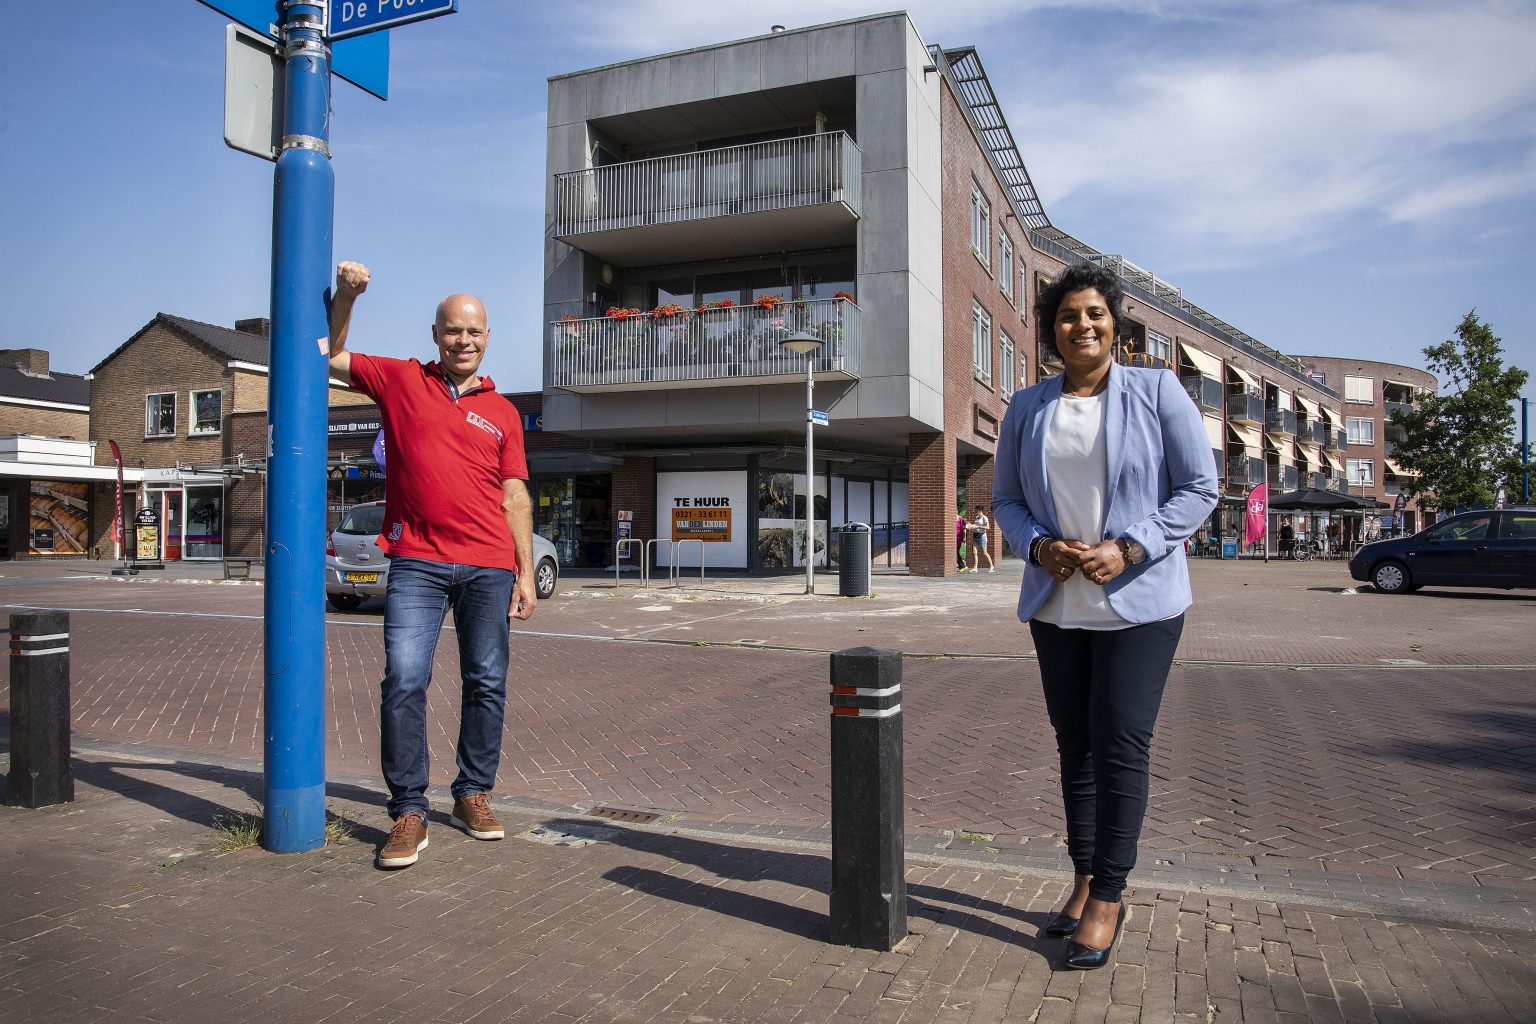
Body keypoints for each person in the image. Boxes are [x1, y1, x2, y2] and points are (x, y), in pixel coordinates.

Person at [992, 261, 1217, 970]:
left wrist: (1131, 547)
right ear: (1051, 330)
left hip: (1139, 605)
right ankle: (1084, 875)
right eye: (1066, 316)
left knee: (1120, 744)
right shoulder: (1027, 407)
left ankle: (1110, 896)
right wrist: (1038, 546)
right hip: (1059, 605)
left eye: (1093, 313)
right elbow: (1005, 502)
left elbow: (1199, 488)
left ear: (1115, 323)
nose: (1080, 325)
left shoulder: (1157, 392)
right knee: (1075, 748)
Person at [328, 260, 538, 870]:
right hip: (417, 561)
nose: (463, 341)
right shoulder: (399, 380)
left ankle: (473, 792)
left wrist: (525, 572)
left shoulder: (503, 412)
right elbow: (330, 354)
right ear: (436, 334)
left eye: (474, 332)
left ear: (488, 336)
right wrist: (346, 296)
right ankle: (409, 810)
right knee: (404, 680)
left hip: (489, 566)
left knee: (487, 682)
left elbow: (515, 496)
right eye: (453, 331)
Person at [968, 507, 995, 573]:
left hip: (982, 536)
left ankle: (991, 566)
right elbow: (974, 526)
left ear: (980, 511)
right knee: (974, 552)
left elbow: (987, 527)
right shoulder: (977, 518)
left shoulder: (984, 518)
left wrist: (979, 526)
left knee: (984, 552)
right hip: (975, 535)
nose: (975, 512)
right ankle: (975, 568)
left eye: (976, 511)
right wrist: (970, 526)